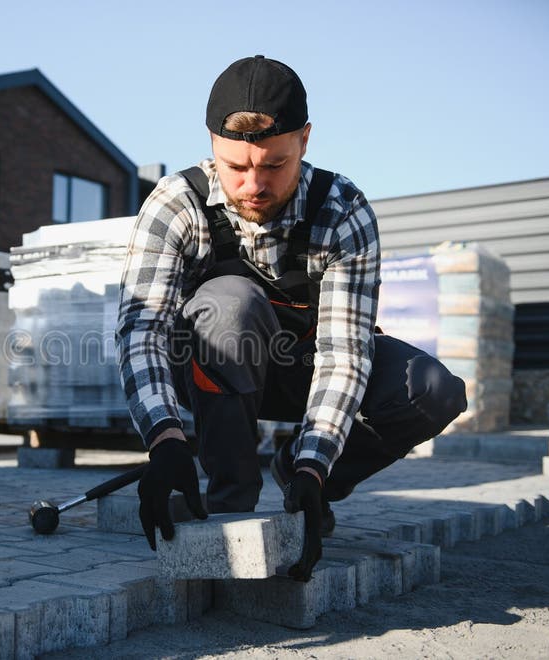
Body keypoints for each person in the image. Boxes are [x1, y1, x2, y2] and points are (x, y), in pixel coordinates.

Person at [115, 55, 468, 581]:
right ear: (212, 144)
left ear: (304, 140)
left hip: (305, 370)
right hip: (210, 372)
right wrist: (164, 438)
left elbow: (345, 353)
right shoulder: (176, 203)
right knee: (231, 302)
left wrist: (314, 465)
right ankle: (229, 504)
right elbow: (142, 330)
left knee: (433, 390)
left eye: (274, 165)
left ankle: (296, 477)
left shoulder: (342, 211)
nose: (253, 184)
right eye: (236, 167)